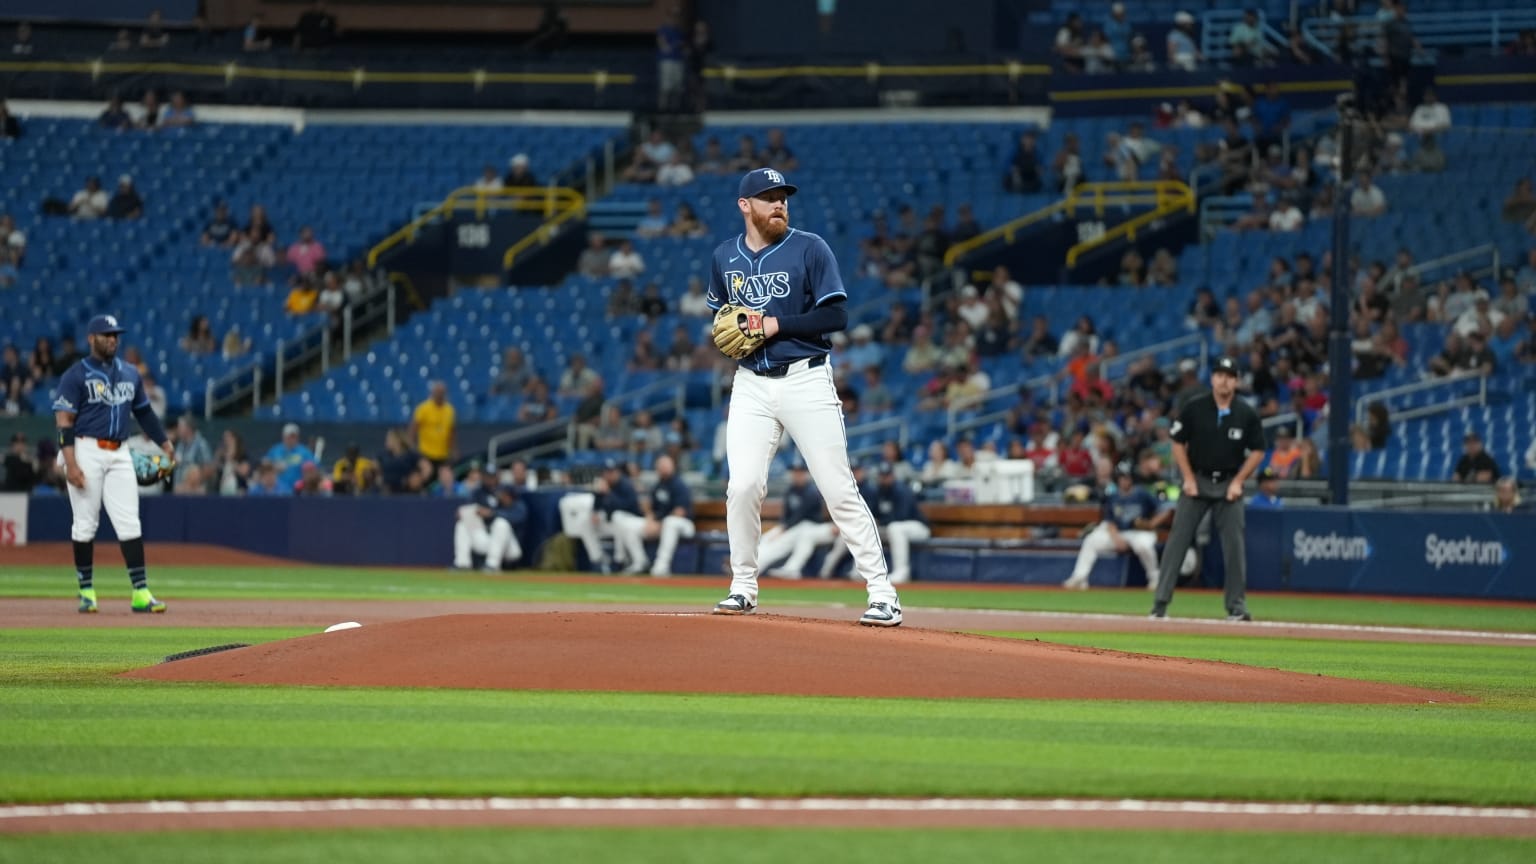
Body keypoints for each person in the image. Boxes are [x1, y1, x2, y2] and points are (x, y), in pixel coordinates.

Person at [706, 167, 904, 626]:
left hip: (806, 379)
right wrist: (729, 336)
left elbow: (836, 315)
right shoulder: (724, 257)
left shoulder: (810, 248)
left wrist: (776, 325)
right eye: (768, 196)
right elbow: (721, 320)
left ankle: (882, 592)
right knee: (743, 486)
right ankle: (742, 586)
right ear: (745, 206)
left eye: (783, 197)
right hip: (751, 382)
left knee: (837, 488)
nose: (779, 203)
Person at [52, 314, 174, 614]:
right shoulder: (76, 375)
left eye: (116, 334)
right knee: (85, 524)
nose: (113, 339)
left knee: (130, 522)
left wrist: (167, 444)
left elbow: (145, 413)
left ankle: (141, 593)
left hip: (120, 450)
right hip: (85, 448)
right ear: (91, 339)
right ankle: (87, 591)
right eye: (106, 334)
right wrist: (71, 463)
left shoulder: (130, 373)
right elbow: (64, 421)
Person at [1148, 356, 1266, 621]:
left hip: (1228, 484)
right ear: (1212, 378)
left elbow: (1259, 450)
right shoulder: (1195, 408)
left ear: (1236, 381)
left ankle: (1236, 606)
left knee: (1234, 546)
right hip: (1197, 480)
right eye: (1219, 375)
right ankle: (1160, 604)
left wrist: (1239, 480)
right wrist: (1188, 477)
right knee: (1177, 540)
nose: (1223, 380)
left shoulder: (1245, 412)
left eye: (1229, 375)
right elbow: (1177, 442)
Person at [1063, 467, 1164, 591]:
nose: (1124, 481)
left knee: (1143, 546)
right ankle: (1079, 577)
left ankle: (1155, 578)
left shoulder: (1142, 494)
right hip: (1119, 532)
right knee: (1091, 540)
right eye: (1121, 478)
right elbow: (1109, 521)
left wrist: (1152, 524)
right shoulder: (1113, 496)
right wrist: (1116, 538)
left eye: (1126, 478)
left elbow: (1164, 510)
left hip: (1140, 532)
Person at [609, 454, 696, 577]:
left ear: (672, 467)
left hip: (684, 525)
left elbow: (680, 512)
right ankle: (640, 561)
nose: (663, 468)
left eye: (666, 465)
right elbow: (651, 509)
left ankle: (661, 566)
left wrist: (659, 524)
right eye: (660, 466)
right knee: (629, 526)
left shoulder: (679, 485)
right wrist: (650, 521)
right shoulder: (658, 486)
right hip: (662, 524)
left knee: (671, 522)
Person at [559, 458, 643, 573]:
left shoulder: (625, 485)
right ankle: (598, 558)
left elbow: (626, 507)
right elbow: (596, 505)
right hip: (611, 524)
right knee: (585, 522)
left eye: (612, 471)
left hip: (629, 522)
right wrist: (595, 513)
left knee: (618, 517)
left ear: (617, 472)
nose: (609, 475)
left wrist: (609, 493)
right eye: (607, 472)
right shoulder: (603, 485)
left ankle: (620, 560)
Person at [756, 461, 833, 579]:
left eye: (800, 473)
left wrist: (783, 529)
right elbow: (786, 514)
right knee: (767, 538)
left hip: (809, 526)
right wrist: (782, 527)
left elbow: (800, 515)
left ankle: (757, 568)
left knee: (779, 542)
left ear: (806, 474)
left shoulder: (811, 491)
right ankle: (750, 566)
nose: (797, 475)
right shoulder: (791, 490)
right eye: (795, 472)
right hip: (793, 526)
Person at [453, 483, 526, 571]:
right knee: (462, 524)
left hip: (511, 550)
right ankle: (462, 564)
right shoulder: (497, 505)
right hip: (492, 544)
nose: (500, 496)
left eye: (503, 494)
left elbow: (516, 518)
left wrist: (491, 513)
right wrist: (466, 514)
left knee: (501, 523)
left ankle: (492, 565)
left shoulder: (519, 506)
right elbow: (482, 512)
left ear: (509, 495)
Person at [408, 380, 456, 470]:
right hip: (426, 452)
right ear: (432, 392)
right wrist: (412, 446)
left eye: (442, 392)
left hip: (443, 454)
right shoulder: (423, 408)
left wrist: (453, 450)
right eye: (437, 392)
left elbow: (451, 432)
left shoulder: (450, 410)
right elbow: (413, 429)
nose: (439, 394)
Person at [264, 423, 317, 491]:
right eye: (289, 436)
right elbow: (265, 466)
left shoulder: (304, 452)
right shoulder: (275, 450)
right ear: (283, 437)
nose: (291, 439)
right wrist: (274, 467)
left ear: (297, 437)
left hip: (299, 489)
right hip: (277, 490)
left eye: (293, 436)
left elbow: (314, 469)